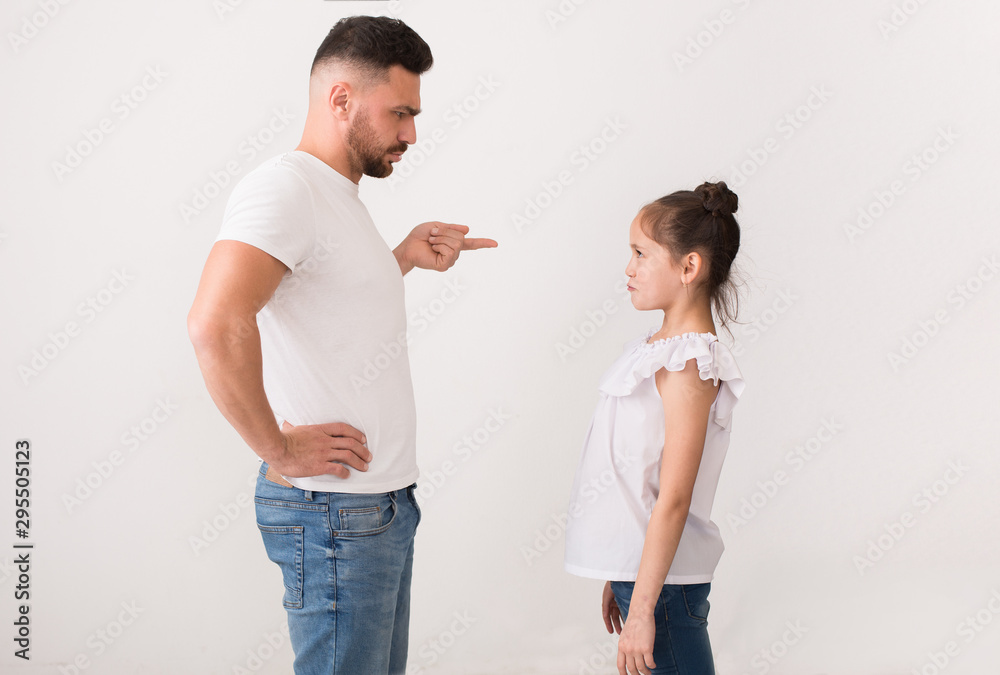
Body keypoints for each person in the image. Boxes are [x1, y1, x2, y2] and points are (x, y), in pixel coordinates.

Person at [186, 16, 496, 675]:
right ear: (341, 99)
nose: (412, 133)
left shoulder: (336, 197)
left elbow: (323, 302)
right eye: (401, 112)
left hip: (375, 513)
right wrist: (278, 446)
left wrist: (401, 258)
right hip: (334, 519)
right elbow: (214, 322)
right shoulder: (285, 189)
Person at [563, 182, 746, 675]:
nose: (629, 268)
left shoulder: (689, 365)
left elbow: (674, 498)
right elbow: (634, 476)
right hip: (646, 577)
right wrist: (621, 570)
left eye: (642, 254)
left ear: (689, 267)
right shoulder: (656, 348)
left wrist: (644, 606)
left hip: (664, 589)